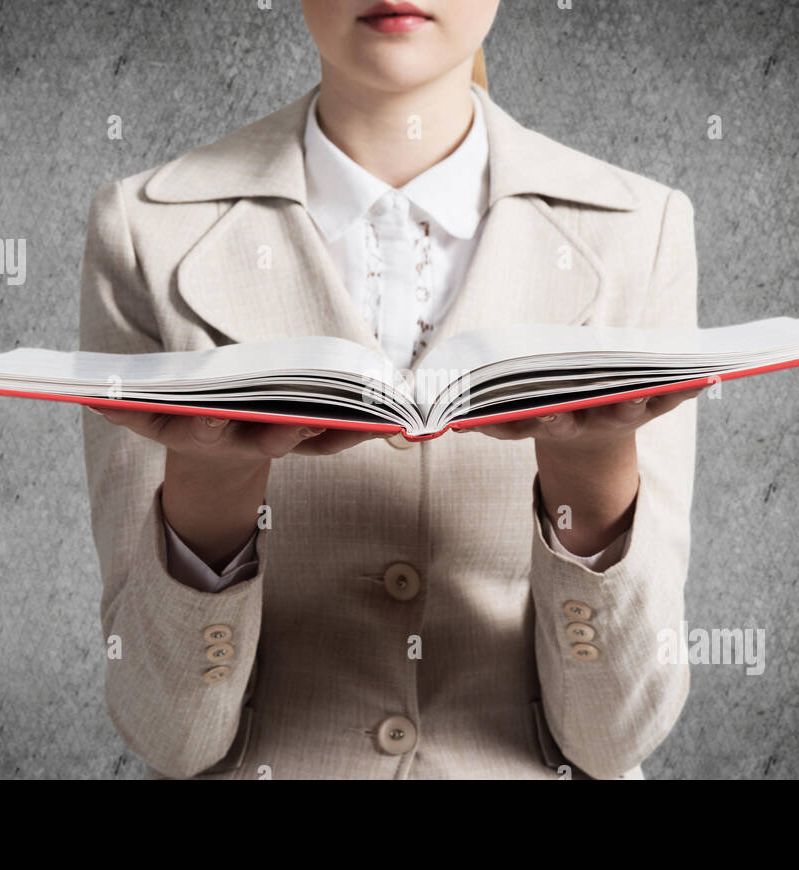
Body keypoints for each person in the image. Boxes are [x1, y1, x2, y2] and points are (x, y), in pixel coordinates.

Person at [80, 0, 701, 779]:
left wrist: (592, 477)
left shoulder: (639, 234)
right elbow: (167, 733)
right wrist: (212, 491)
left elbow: (615, 738)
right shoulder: (145, 233)